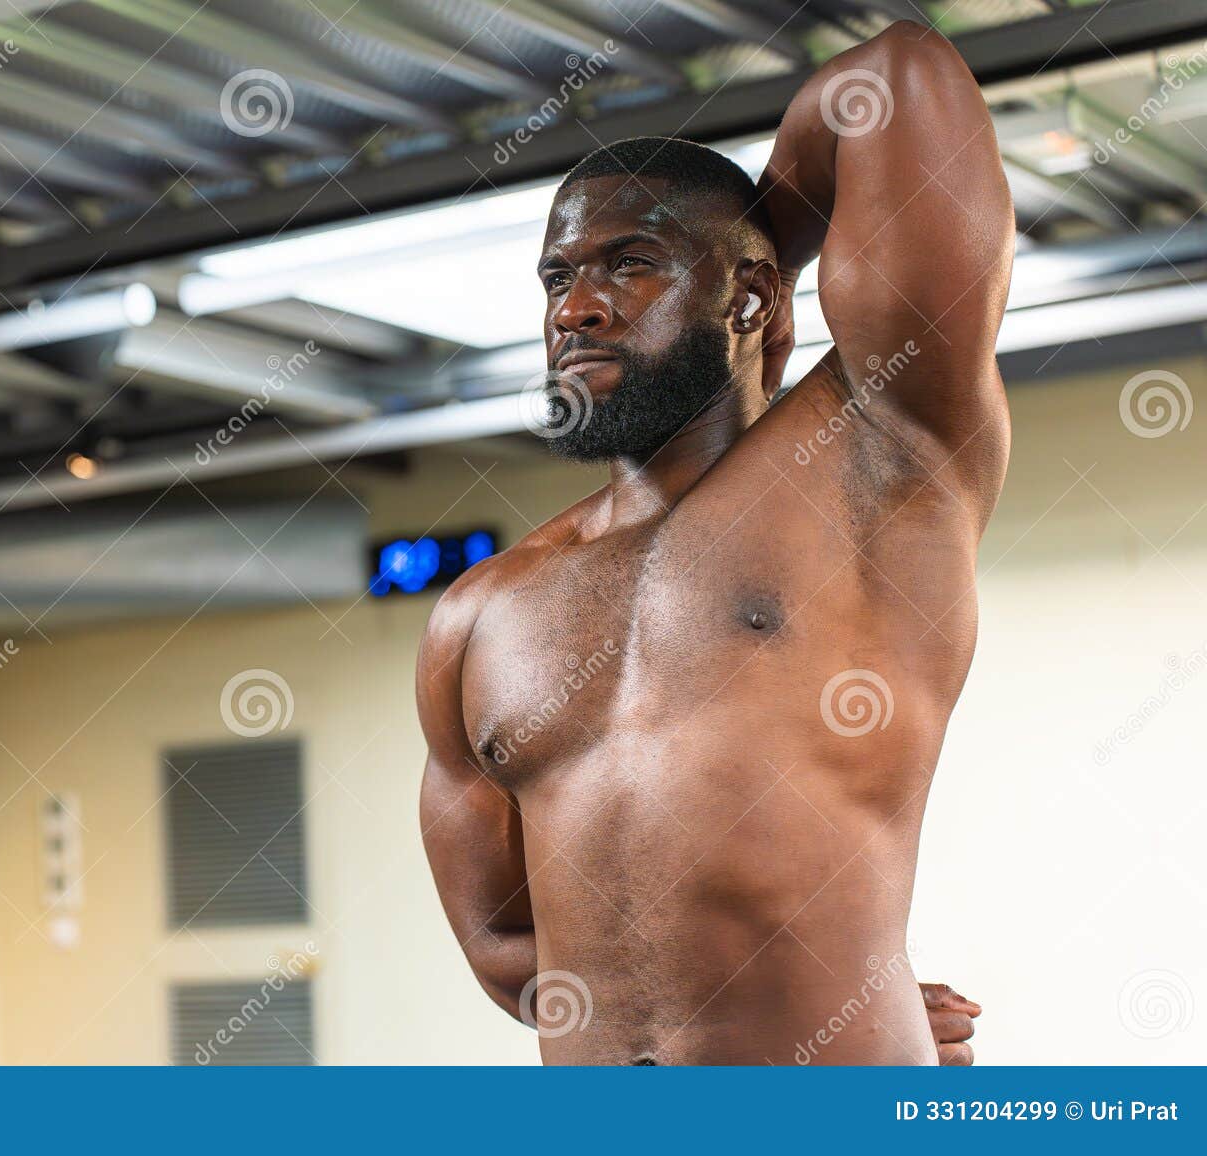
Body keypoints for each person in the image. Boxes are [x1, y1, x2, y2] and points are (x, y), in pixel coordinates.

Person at [418, 20, 1010, 1064]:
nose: (578, 308)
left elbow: (899, 73)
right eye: (558, 279)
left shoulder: (880, 452)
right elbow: (503, 944)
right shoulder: (480, 614)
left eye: (630, 265)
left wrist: (751, 238)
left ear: (750, 294)